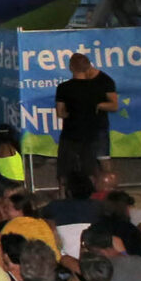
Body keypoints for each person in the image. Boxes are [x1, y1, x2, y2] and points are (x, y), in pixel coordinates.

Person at [53, 54, 119, 185]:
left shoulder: (64, 87)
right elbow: (113, 105)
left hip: (71, 132)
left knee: (65, 168)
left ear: (71, 67)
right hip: (92, 132)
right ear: (88, 65)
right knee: (91, 167)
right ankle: (103, 192)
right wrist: (96, 106)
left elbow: (60, 112)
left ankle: (64, 196)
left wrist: (70, 114)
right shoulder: (99, 86)